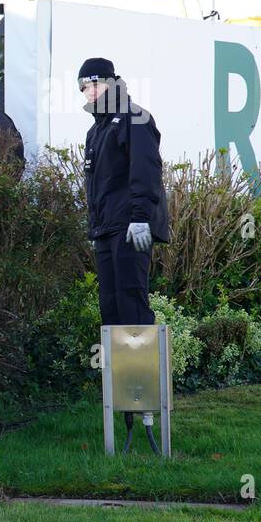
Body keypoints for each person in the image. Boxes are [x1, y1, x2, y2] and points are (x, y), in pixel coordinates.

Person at [78, 57, 169, 327]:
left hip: (130, 225)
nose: (90, 91)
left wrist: (141, 218)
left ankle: (143, 369)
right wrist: (95, 227)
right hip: (106, 229)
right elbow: (96, 185)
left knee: (132, 301)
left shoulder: (135, 117)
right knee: (110, 305)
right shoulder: (95, 130)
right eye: (83, 87)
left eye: (95, 83)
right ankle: (119, 370)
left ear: (111, 82)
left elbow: (146, 171)